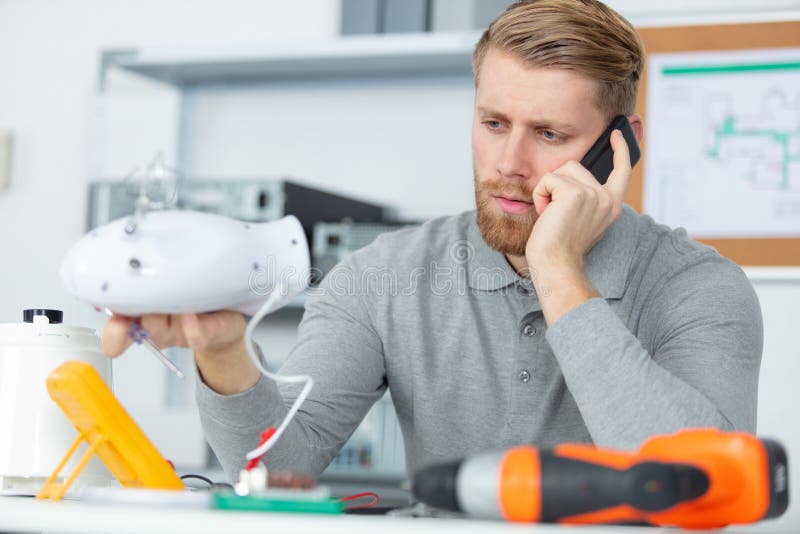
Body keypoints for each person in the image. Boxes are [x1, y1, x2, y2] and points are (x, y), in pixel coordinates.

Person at [102, 0, 762, 484]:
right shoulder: (382, 276)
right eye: (493, 122)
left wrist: (558, 269)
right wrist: (222, 351)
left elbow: (696, 487)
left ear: (620, 144)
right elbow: (278, 466)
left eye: (550, 134)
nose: (508, 160)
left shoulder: (700, 287)